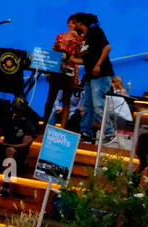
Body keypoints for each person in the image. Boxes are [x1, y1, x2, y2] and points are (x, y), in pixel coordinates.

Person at [43, 13, 86, 128]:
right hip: (57, 69)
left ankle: (62, 127)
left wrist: (76, 38)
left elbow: (80, 53)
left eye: (75, 24)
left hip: (71, 71)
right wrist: (48, 70)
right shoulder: (60, 36)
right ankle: (44, 125)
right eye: (72, 23)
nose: (73, 25)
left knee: (66, 100)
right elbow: (54, 52)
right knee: (50, 98)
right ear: (68, 23)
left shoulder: (80, 38)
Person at [78, 13, 115, 145]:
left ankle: (110, 133)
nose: (74, 25)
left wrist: (98, 65)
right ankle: (86, 132)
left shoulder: (96, 31)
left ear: (81, 23)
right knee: (88, 106)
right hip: (89, 75)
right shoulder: (85, 38)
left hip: (101, 73)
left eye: (75, 22)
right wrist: (70, 60)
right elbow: (86, 59)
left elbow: (107, 47)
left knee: (98, 105)